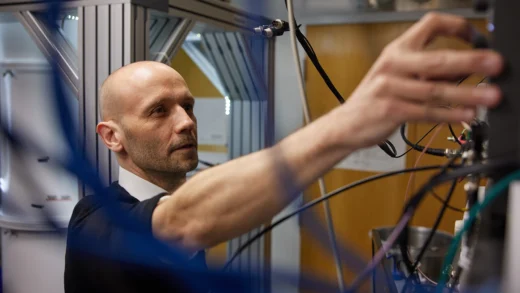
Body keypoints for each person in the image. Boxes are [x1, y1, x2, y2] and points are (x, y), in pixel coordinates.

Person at [64, 12, 504, 293]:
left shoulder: (179, 202)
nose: (185, 121)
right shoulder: (95, 222)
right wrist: (350, 123)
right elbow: (181, 221)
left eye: (187, 106)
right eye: (158, 111)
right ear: (111, 137)